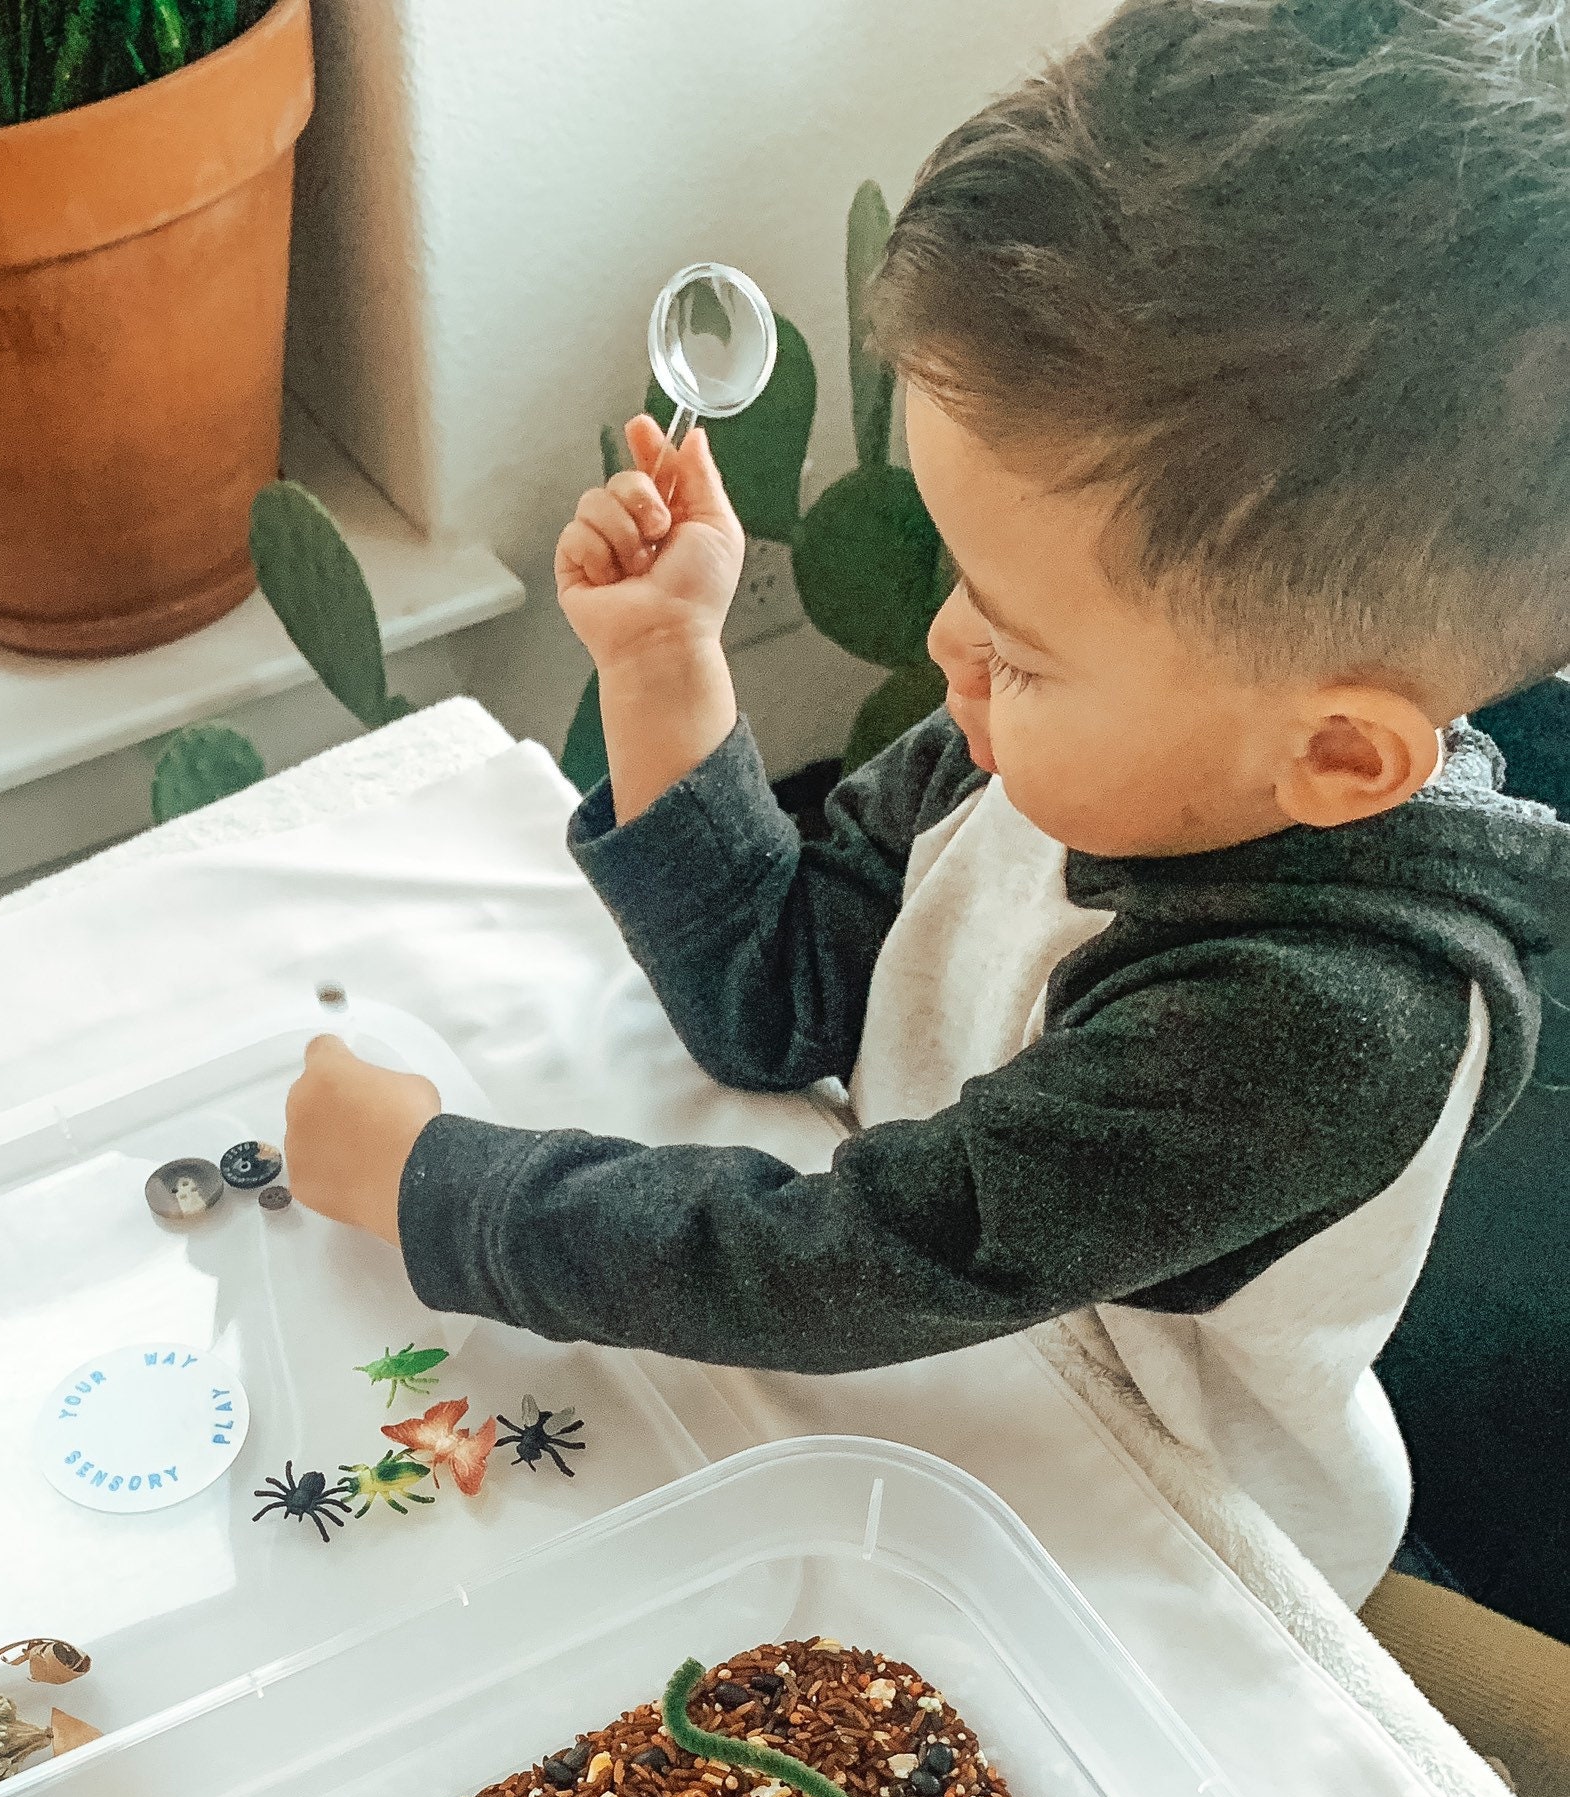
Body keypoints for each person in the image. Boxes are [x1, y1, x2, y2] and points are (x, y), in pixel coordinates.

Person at [283, 0, 1570, 1606]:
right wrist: (669, 666)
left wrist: (440, 1195)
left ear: (1333, 761)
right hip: (943, 1379)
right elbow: (784, 995)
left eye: (1016, 641)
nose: (946, 641)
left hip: (1155, 1538)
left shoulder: (1316, 1025)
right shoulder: (1065, 744)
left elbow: (850, 1267)